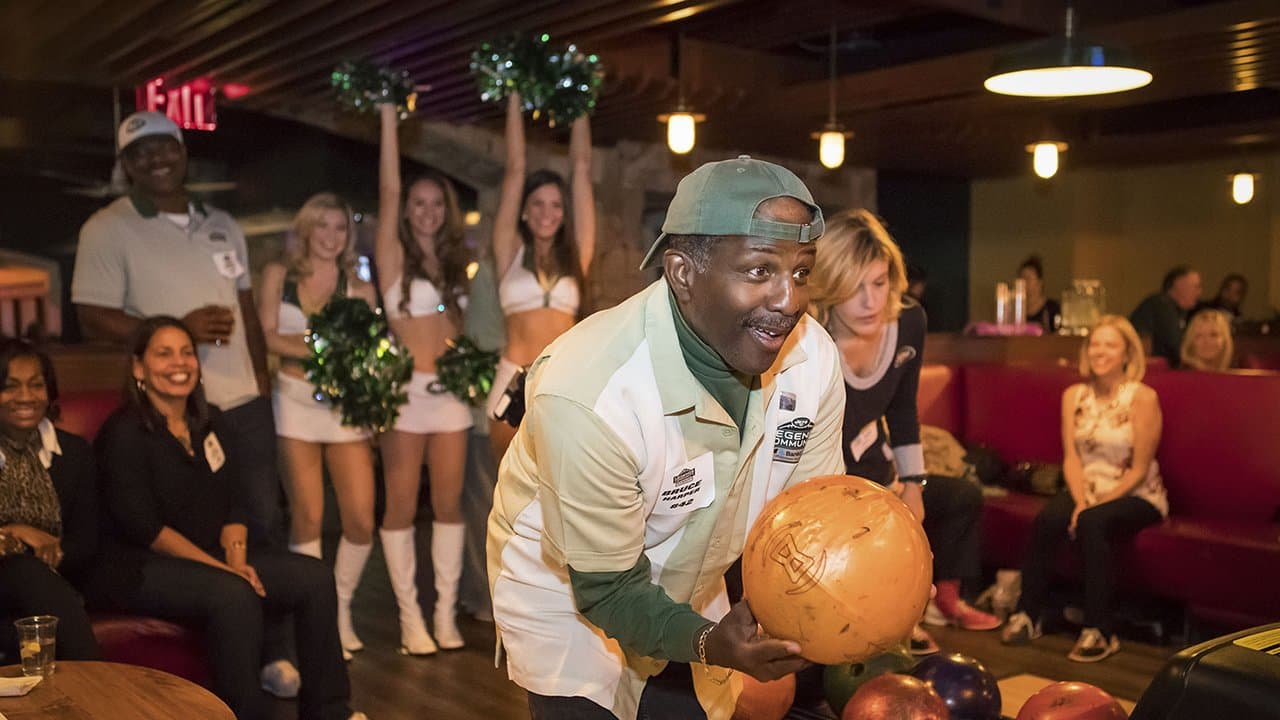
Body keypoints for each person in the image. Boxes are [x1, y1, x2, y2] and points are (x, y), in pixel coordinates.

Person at [489, 155, 845, 720]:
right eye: (759, 271)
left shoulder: (813, 360)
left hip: (695, 579)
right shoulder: (589, 392)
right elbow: (608, 591)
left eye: (800, 272)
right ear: (682, 273)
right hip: (570, 600)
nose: (789, 300)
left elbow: (811, 516)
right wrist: (710, 643)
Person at [87, 317, 363, 720]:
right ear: (138, 368)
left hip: (210, 555)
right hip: (137, 566)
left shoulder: (211, 419)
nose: (178, 363)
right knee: (234, 594)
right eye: (163, 353)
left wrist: (235, 560)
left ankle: (330, 712)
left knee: (314, 577)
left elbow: (235, 504)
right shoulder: (124, 432)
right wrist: (224, 570)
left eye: (186, 352)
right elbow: (144, 528)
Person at [71, 111, 282, 549]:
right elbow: (92, 316)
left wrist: (262, 383)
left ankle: (268, 616)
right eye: (140, 153)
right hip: (184, 414)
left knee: (263, 525)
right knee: (202, 533)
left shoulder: (222, 223)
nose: (156, 159)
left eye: (165, 146)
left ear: (184, 152)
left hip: (246, 405)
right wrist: (178, 329)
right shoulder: (106, 228)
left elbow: (245, 308)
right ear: (126, 166)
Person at [809, 210, 999, 660]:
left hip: (878, 468)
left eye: (878, 283)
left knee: (960, 497)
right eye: (855, 288)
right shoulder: (807, 336)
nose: (871, 301)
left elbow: (902, 410)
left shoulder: (909, 322)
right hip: (823, 481)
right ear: (829, 286)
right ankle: (872, 629)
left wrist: (912, 484)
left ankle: (932, 605)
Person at [1002, 315, 1167, 663]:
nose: (1099, 351)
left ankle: (1100, 631)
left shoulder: (1143, 397)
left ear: (1126, 354)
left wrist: (1093, 506)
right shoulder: (1074, 395)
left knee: (1093, 522)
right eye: (1095, 344)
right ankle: (1028, 615)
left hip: (1137, 494)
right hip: (1086, 488)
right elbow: (1072, 460)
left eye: (1110, 345)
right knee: (1048, 519)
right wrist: (1079, 501)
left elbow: (1139, 468)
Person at [257, 193, 380, 659]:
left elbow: (367, 349)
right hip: (293, 403)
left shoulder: (360, 288)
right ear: (306, 229)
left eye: (340, 228)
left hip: (344, 408)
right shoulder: (278, 275)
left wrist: (307, 342)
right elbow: (267, 335)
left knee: (361, 519)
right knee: (307, 515)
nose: (331, 237)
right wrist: (327, 347)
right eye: (322, 226)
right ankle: (315, 619)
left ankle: (339, 605)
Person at [375, 102, 473, 654]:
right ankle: (410, 618)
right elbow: (387, 192)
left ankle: (444, 616)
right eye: (418, 203)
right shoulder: (392, 257)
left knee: (450, 504)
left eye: (436, 203)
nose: (427, 212)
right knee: (401, 502)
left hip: (452, 396)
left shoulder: (458, 262)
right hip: (404, 393)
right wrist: (390, 117)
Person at [485, 91, 595, 460]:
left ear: (564, 213)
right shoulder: (509, 251)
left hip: (562, 382)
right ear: (523, 211)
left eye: (555, 205)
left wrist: (578, 95)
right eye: (537, 204)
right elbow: (515, 167)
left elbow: (581, 169)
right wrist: (516, 93)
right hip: (512, 380)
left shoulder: (576, 253)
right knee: (505, 495)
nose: (546, 213)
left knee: (559, 495)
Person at [0, 339, 101, 662]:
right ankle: (100, 692)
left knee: (26, 627)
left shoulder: (73, 452)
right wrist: (17, 533)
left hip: (56, 588)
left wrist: (46, 552)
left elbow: (86, 541)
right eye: (11, 387)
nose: (26, 397)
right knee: (24, 572)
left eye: (36, 385)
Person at [1129, 265, 1201, 367]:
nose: (1199, 292)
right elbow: (1177, 349)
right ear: (1179, 285)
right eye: (1196, 286)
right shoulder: (1162, 305)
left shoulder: (1174, 309)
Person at [1019, 255, 1061, 332]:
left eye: (1028, 278)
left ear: (1039, 282)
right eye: (1022, 279)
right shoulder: (1017, 311)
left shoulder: (1053, 309)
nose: (1024, 283)